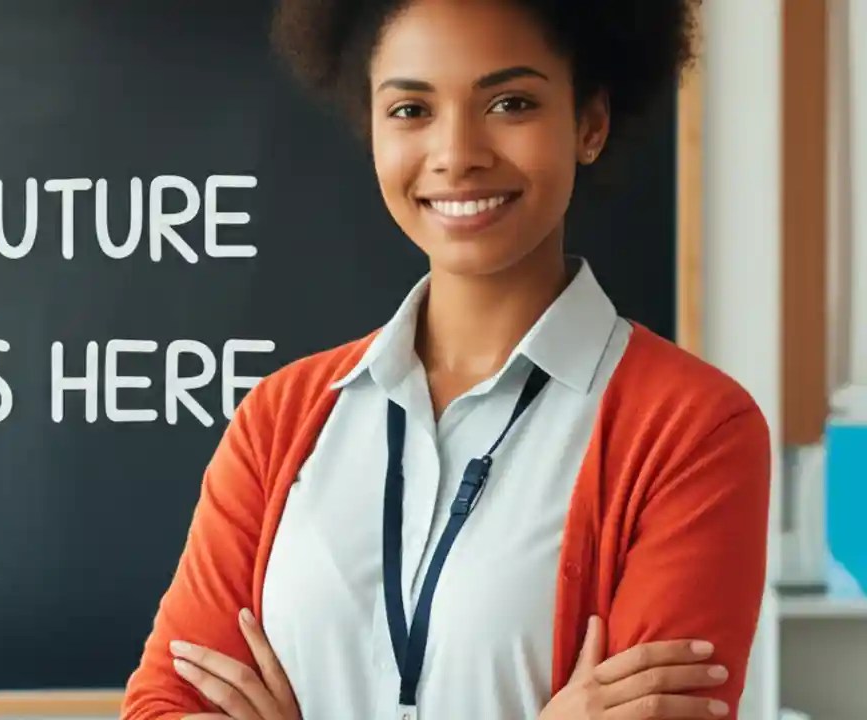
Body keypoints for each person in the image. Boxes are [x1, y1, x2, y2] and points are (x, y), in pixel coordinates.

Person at [121, 0, 770, 718]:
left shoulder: (694, 431)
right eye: (411, 110)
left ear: (590, 122)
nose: (457, 153)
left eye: (510, 103)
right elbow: (162, 705)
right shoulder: (280, 419)